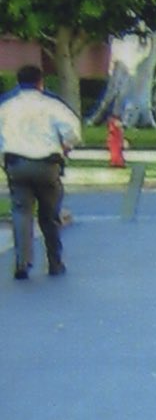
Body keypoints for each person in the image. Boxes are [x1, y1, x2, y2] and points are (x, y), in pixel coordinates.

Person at [2, 63, 81, 280]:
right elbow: (72, 132)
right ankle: (55, 262)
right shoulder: (53, 106)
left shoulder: (7, 107)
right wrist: (65, 146)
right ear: (40, 82)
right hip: (47, 166)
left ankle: (22, 262)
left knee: (21, 212)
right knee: (49, 215)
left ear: (19, 82)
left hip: (16, 164)